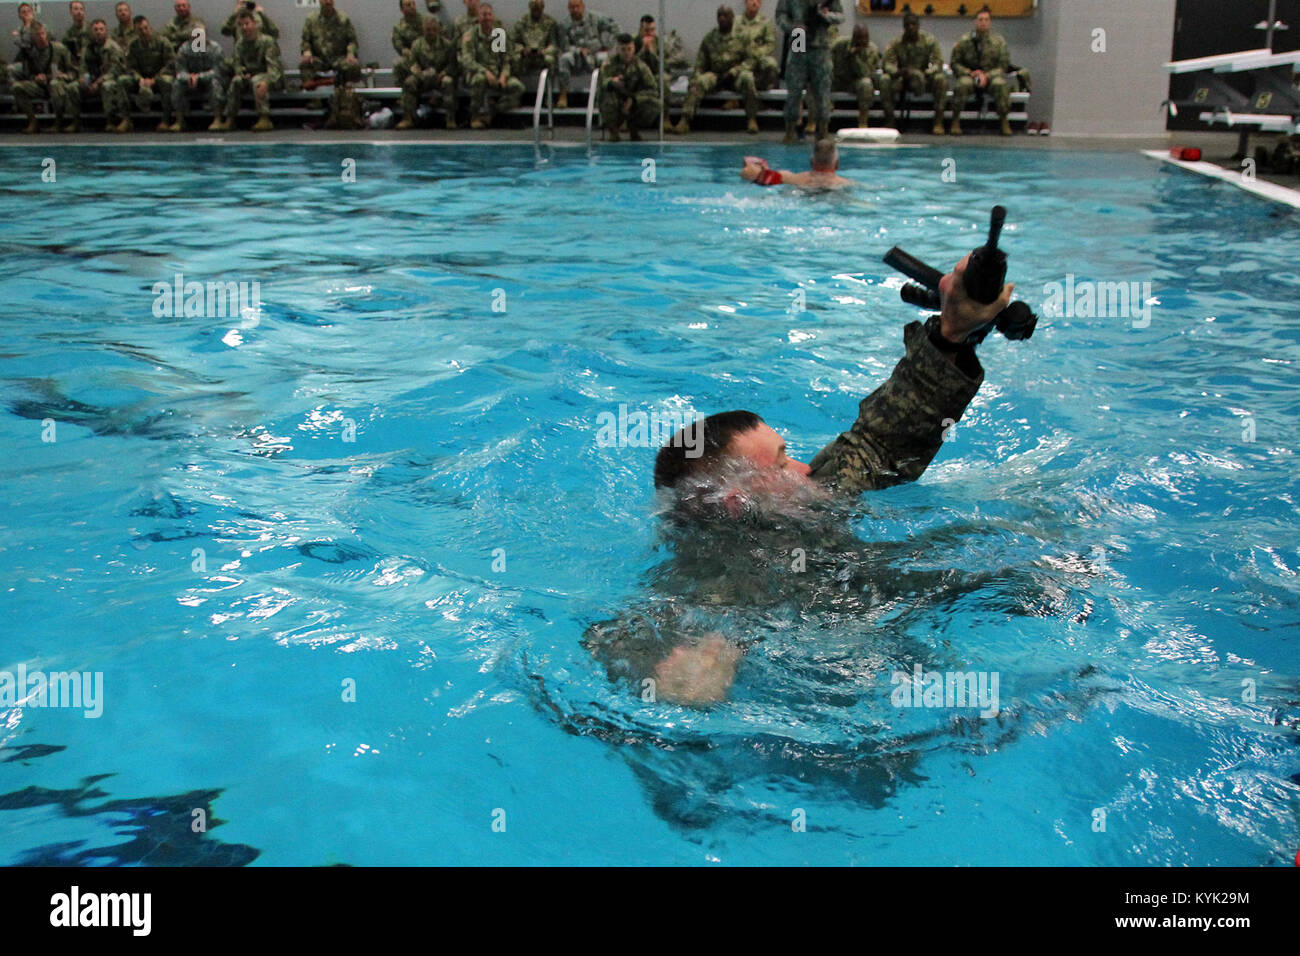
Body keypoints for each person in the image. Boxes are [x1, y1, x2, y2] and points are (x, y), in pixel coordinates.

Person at [589, 253, 1015, 705]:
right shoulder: (715, 583)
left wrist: (950, 335)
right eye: (780, 464)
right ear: (736, 501)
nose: (804, 469)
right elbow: (619, 640)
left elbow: (881, 439)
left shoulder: (808, 497)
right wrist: (667, 679)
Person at [670, 5, 758, 136]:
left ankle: (752, 119)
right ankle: (685, 120)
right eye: (719, 15)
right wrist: (696, 77)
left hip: (735, 76)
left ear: (732, 18)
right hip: (716, 75)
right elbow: (700, 63)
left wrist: (735, 71)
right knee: (699, 82)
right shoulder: (710, 38)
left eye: (725, 15)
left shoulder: (743, 36)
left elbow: (751, 60)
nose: (722, 18)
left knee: (748, 78)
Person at [775, 0, 843, 144]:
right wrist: (792, 27)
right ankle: (790, 130)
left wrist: (825, 15)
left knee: (822, 91)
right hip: (798, 37)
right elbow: (780, 15)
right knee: (794, 90)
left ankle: (823, 131)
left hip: (820, 44)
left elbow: (840, 16)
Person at [950, 6, 1013, 136]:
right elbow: (955, 63)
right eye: (980, 20)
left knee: (1000, 84)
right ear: (975, 22)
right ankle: (955, 121)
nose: (983, 22)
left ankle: (1004, 121)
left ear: (990, 22)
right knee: (962, 85)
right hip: (971, 75)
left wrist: (987, 75)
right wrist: (969, 73)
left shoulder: (998, 42)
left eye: (986, 20)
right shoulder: (964, 41)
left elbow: (1003, 65)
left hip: (991, 76)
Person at [880, 11, 946, 135]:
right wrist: (898, 71)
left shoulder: (929, 40)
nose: (911, 27)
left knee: (940, 79)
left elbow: (938, 62)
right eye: (908, 25)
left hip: (924, 77)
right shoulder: (896, 42)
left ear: (918, 25)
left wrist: (927, 73)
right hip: (903, 78)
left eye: (914, 24)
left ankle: (938, 122)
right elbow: (887, 63)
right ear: (904, 27)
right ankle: (889, 121)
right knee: (884, 79)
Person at [459, 2, 523, 128]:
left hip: (497, 75)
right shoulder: (470, 35)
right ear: (478, 18)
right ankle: (474, 116)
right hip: (477, 74)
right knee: (479, 79)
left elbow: (506, 60)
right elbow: (467, 60)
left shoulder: (499, 35)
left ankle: (492, 112)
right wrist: (485, 72)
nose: (487, 18)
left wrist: (503, 75)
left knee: (518, 87)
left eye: (489, 15)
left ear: (493, 17)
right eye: (483, 15)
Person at [216, 8, 281, 131]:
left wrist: (267, 82)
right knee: (236, 81)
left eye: (247, 24)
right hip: (249, 76)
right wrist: (241, 72)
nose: (244, 27)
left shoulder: (267, 42)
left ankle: (264, 118)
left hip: (269, 76)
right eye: (241, 25)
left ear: (255, 24)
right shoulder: (240, 44)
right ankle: (230, 118)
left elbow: (274, 68)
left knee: (258, 81)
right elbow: (237, 63)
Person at [299, 0, 361, 129]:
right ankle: (315, 101)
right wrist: (307, 52)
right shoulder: (311, 20)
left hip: (339, 58)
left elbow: (352, 41)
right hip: (319, 59)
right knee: (305, 65)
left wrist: (350, 54)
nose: (327, 2)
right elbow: (305, 41)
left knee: (352, 66)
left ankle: (345, 101)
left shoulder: (343, 19)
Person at [12, 22, 79, 134]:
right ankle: (33, 122)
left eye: (43, 33)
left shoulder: (59, 49)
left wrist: (62, 76)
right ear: (33, 37)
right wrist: (35, 78)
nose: (41, 37)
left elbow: (74, 71)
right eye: (37, 35)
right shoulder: (30, 52)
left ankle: (59, 121)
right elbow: (27, 74)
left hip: (58, 84)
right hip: (39, 85)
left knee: (54, 84)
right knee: (17, 87)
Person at [397, 14, 458, 129]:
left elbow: (453, 65)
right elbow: (412, 64)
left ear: (438, 30)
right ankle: (407, 118)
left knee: (448, 82)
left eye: (434, 29)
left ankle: (450, 119)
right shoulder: (417, 45)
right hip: (422, 77)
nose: (431, 32)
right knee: (409, 82)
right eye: (428, 29)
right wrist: (420, 74)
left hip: (440, 77)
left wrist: (444, 73)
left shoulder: (447, 45)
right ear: (423, 30)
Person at [117, 15, 175, 133]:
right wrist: (139, 79)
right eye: (140, 30)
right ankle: (126, 120)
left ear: (150, 27)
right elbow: (130, 67)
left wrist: (154, 79)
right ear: (136, 31)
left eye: (146, 28)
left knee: (167, 81)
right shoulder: (133, 45)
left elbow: (170, 64)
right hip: (140, 80)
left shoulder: (163, 42)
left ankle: (165, 120)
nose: (144, 31)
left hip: (158, 78)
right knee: (122, 80)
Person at [555, 0, 616, 109]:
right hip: (576, 57)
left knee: (605, 59)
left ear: (583, 6)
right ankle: (563, 95)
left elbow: (614, 27)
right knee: (564, 59)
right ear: (568, 8)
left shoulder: (595, 18)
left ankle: (603, 96)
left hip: (595, 53)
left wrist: (607, 44)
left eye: (577, 7)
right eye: (572, 7)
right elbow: (564, 46)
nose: (575, 10)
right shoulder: (564, 24)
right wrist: (578, 50)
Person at [598, 32, 659, 141]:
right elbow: (601, 83)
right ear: (617, 50)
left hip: (633, 102)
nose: (626, 53)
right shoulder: (609, 64)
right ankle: (613, 130)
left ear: (634, 49)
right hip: (616, 101)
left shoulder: (641, 66)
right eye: (623, 50)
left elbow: (653, 89)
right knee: (606, 94)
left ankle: (634, 127)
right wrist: (611, 82)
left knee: (655, 103)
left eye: (629, 49)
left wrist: (634, 99)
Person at [170, 22, 226, 131]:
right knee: (177, 84)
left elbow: (217, 71)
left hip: (208, 80)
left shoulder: (215, 48)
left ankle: (218, 119)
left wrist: (199, 77)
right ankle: (179, 120)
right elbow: (180, 71)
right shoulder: (184, 49)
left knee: (215, 84)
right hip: (190, 82)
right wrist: (188, 77)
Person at [740, 138, 852, 189]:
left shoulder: (791, 178)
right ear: (837, 164)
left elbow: (747, 173)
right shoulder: (847, 184)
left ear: (811, 162)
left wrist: (764, 172)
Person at [81, 19, 130, 132]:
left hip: (110, 79)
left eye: (101, 29)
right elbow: (83, 67)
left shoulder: (113, 48)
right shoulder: (88, 48)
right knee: (72, 87)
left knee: (107, 86)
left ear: (106, 31)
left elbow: (115, 70)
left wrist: (98, 82)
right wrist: (83, 79)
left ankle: (111, 121)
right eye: (96, 30)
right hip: (91, 80)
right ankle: (74, 121)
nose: (98, 32)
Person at [831, 23, 879, 129]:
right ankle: (819, 119)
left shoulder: (871, 50)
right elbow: (828, 58)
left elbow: (865, 73)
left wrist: (854, 56)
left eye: (865, 38)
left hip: (856, 82)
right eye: (859, 38)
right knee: (820, 78)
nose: (862, 41)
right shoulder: (840, 44)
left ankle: (863, 120)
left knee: (866, 84)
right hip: (838, 79)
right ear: (853, 37)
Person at [735, 0, 779, 91]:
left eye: (758, 0)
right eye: (751, 0)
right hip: (741, 58)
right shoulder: (736, 21)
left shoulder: (766, 22)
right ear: (746, 2)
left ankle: (767, 90)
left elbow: (770, 44)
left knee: (771, 64)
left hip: (759, 57)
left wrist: (757, 53)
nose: (754, 3)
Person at [511, 0, 560, 78]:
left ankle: (551, 83)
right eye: (534, 9)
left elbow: (554, 44)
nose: (536, 12)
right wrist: (522, 50)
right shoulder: (522, 22)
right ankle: (517, 82)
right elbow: (513, 42)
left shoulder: (550, 22)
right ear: (530, 8)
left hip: (543, 54)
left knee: (550, 60)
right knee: (515, 59)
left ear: (542, 8)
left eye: (538, 9)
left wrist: (544, 51)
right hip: (526, 54)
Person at [392, 0, 423, 88]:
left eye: (413, 4)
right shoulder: (398, 27)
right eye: (408, 5)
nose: (412, 7)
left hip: (429, 55)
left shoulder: (426, 21)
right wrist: (407, 52)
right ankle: (401, 91)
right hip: (411, 58)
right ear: (402, 10)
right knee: (398, 63)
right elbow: (399, 46)